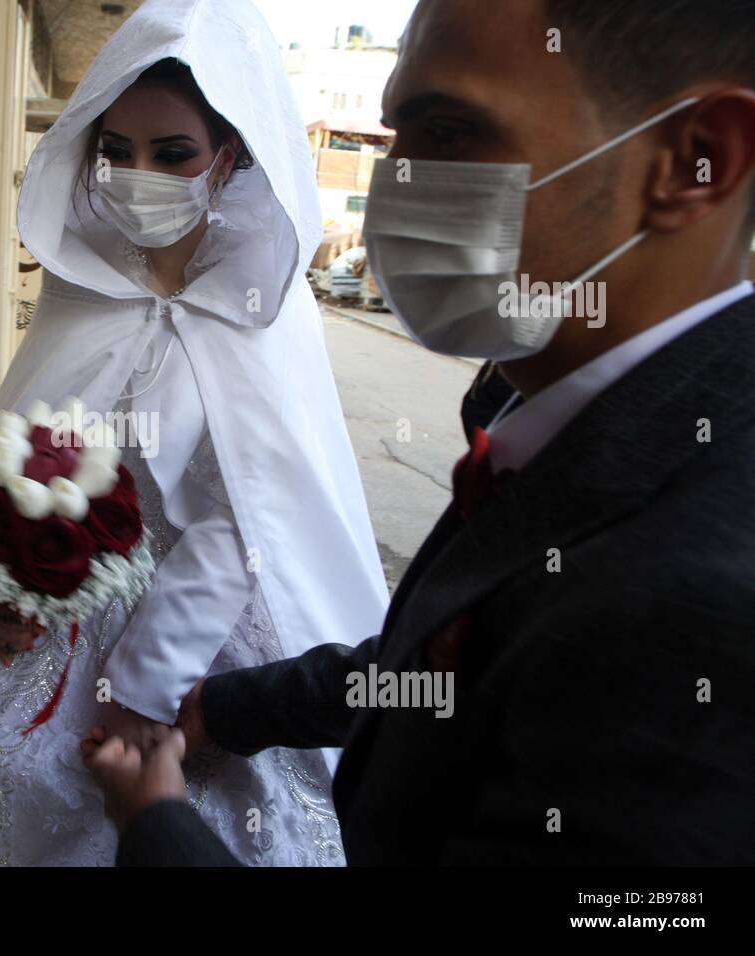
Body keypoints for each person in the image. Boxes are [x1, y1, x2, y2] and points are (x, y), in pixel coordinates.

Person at [84, 0, 755, 866]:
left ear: (695, 162)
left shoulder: (704, 601)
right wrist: (231, 709)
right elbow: (453, 667)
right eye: (397, 134)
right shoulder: (546, 407)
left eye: (448, 131)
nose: (394, 191)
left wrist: (156, 826)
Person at [0, 0, 387, 866]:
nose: (137, 174)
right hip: (58, 601)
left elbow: (244, 529)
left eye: (173, 154)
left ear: (227, 156)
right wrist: (15, 579)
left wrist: (149, 689)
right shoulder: (83, 285)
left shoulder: (267, 314)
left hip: (203, 631)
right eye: (116, 150)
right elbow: (36, 446)